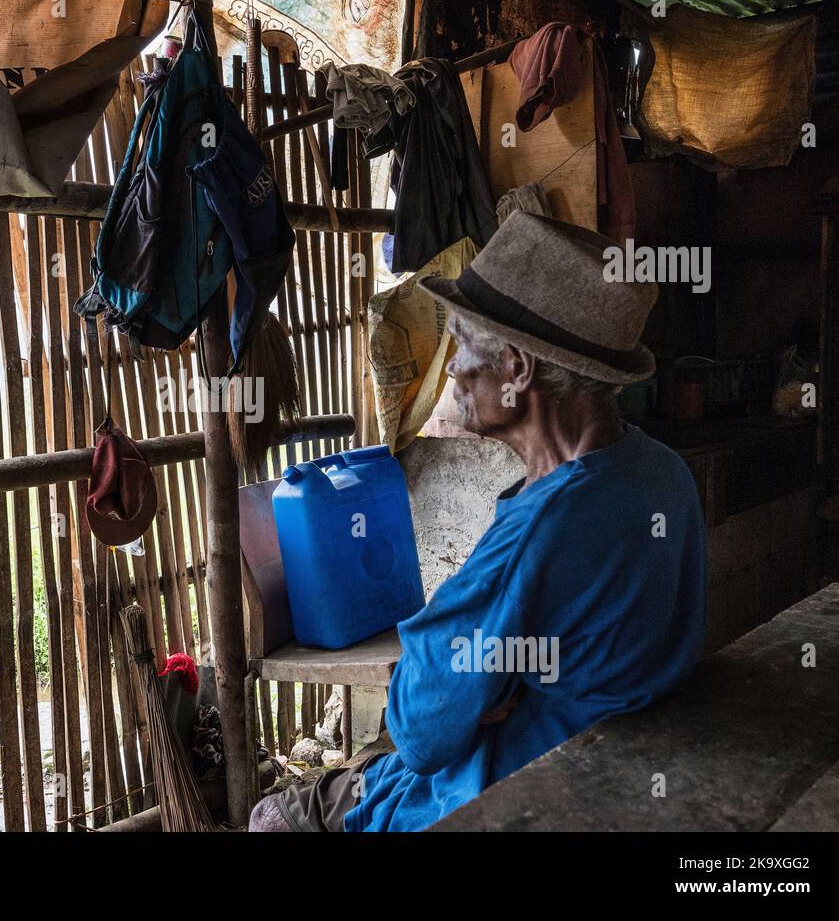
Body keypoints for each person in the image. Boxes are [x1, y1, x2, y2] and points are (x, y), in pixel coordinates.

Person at [250, 212, 706, 832]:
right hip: (599, 772)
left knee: (277, 814)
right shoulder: (663, 474)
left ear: (518, 369)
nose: (453, 371)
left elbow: (420, 730)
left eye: (461, 344)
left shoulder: (540, 529)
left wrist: (480, 688)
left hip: (502, 793)